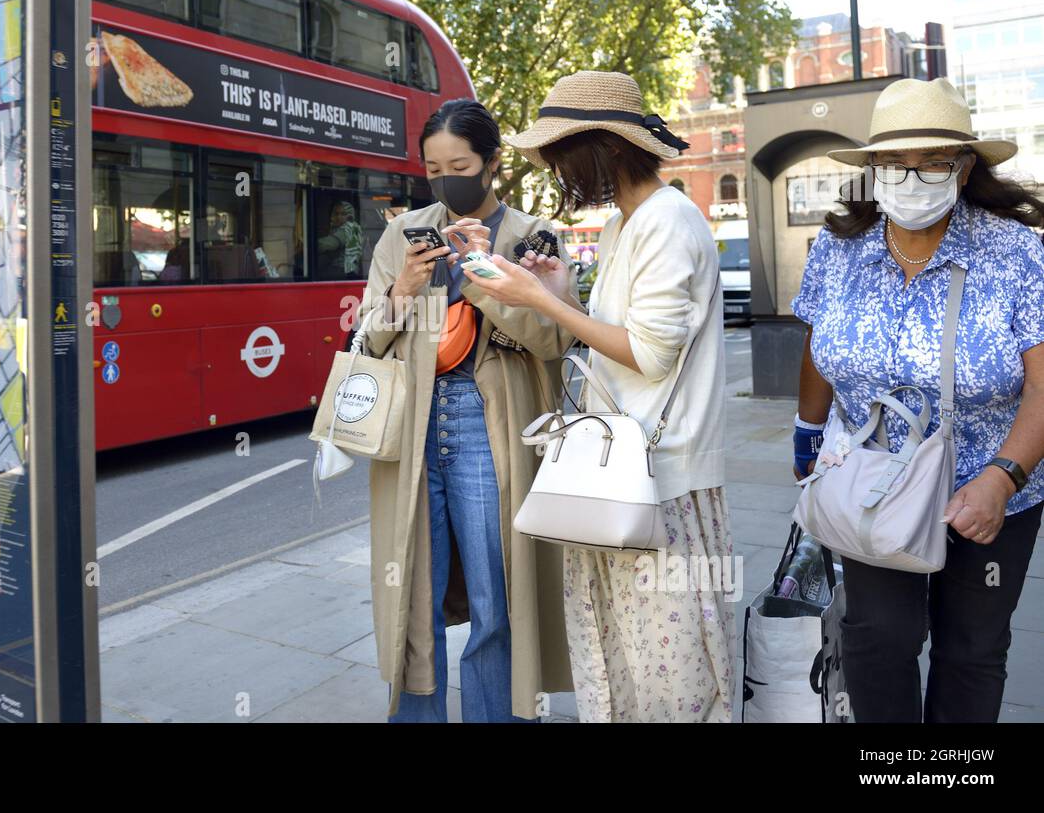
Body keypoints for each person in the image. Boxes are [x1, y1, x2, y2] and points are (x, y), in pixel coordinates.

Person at [459, 71, 734, 722]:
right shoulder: (625, 225)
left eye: (562, 157)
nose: (559, 173)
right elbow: (619, 341)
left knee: (670, 684)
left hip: (660, 489)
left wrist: (535, 300)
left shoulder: (667, 221)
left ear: (606, 148)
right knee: (624, 674)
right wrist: (560, 294)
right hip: (617, 481)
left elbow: (651, 353)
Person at [790, 77, 1044, 723]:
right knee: (879, 638)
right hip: (873, 480)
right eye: (894, 163)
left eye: (932, 161)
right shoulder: (839, 248)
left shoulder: (1016, 251)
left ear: (964, 170)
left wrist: (1003, 477)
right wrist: (807, 433)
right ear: (872, 170)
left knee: (972, 647)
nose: (911, 177)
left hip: (986, 488)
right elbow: (818, 341)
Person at [356, 98, 577, 722]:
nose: (445, 178)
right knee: (411, 594)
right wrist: (403, 289)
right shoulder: (404, 233)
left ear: (492, 163)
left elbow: (556, 340)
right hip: (412, 424)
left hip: (491, 426)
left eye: (459, 164)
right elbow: (368, 338)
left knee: (496, 593)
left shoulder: (532, 236)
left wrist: (483, 276)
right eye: (432, 168)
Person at [317, 200, 364, 279]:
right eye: (336, 213)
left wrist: (308, 245)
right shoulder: (343, 228)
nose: (339, 217)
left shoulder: (349, 227)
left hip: (343, 271)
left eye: (343, 214)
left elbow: (329, 244)